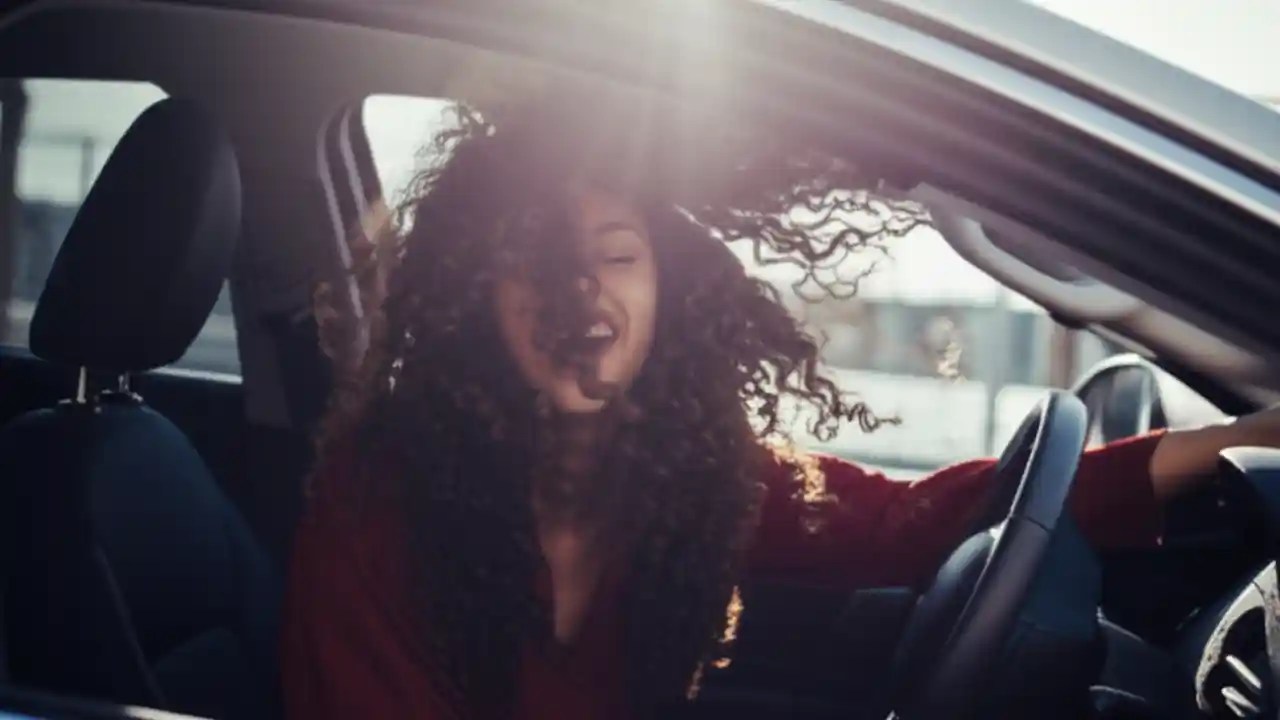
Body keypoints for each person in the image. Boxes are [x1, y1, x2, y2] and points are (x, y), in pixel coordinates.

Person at [282, 90, 1280, 719]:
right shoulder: (383, 507)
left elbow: (907, 524)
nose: (579, 293)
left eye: (616, 255)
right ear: (468, 300)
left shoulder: (684, 471)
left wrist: (1240, 438)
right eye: (529, 265)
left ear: (668, 287)